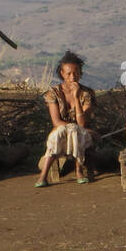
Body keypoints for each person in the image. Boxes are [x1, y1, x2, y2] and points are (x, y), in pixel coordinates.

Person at [36, 51, 96, 186]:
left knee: (76, 130)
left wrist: (76, 97)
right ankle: (43, 175)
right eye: (68, 74)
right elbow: (56, 122)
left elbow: (82, 123)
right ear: (62, 74)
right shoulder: (53, 93)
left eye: (76, 73)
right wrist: (71, 127)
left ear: (80, 73)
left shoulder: (86, 94)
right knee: (59, 134)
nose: (72, 77)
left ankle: (79, 170)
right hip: (61, 131)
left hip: (82, 133)